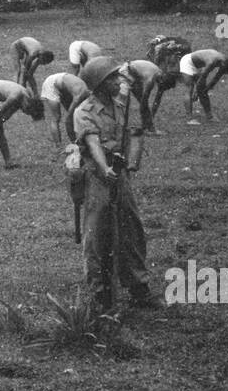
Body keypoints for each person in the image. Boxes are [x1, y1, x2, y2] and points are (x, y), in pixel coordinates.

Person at [73, 56, 153, 316]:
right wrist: (104, 168)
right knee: (98, 234)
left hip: (119, 173)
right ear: (99, 84)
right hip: (97, 175)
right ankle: (100, 295)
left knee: (131, 227)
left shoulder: (120, 105)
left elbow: (131, 134)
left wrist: (129, 164)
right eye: (113, 78)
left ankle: (138, 288)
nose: (119, 80)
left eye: (119, 75)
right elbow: (93, 142)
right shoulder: (84, 111)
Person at [179, 49, 228, 123]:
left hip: (199, 65)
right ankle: (189, 119)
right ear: (224, 65)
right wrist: (197, 92)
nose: (224, 72)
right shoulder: (212, 62)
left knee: (203, 92)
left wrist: (206, 89)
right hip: (187, 62)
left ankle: (209, 117)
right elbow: (202, 77)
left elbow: (216, 79)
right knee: (189, 89)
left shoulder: (225, 62)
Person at [122, 58, 178, 133]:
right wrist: (149, 120)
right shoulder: (151, 78)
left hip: (136, 74)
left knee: (142, 101)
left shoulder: (160, 76)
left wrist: (151, 116)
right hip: (127, 71)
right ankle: (123, 127)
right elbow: (144, 101)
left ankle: (147, 126)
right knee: (126, 102)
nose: (161, 88)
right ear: (162, 81)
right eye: (163, 87)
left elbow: (157, 99)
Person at [40, 70, 89, 147]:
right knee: (56, 117)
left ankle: (80, 141)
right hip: (51, 84)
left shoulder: (88, 93)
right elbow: (68, 120)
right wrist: (74, 144)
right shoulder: (79, 96)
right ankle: (58, 146)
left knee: (77, 115)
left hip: (63, 84)